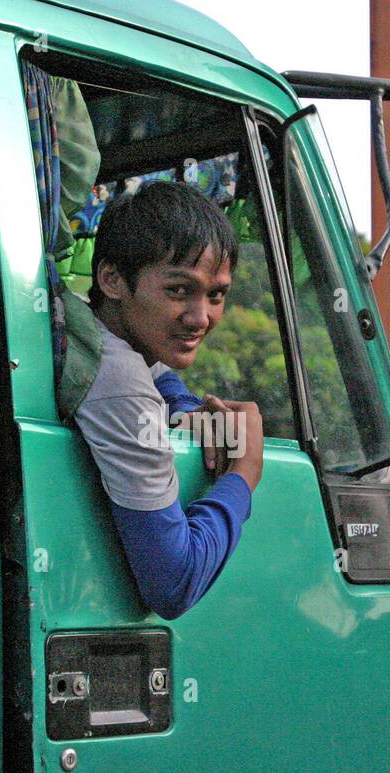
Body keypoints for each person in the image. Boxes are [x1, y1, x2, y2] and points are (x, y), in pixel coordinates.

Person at [72, 180, 263, 620]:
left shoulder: (95, 325)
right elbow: (174, 582)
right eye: (179, 290)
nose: (201, 318)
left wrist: (185, 410)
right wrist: (244, 473)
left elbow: (162, 376)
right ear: (113, 279)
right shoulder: (117, 378)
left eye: (216, 295)